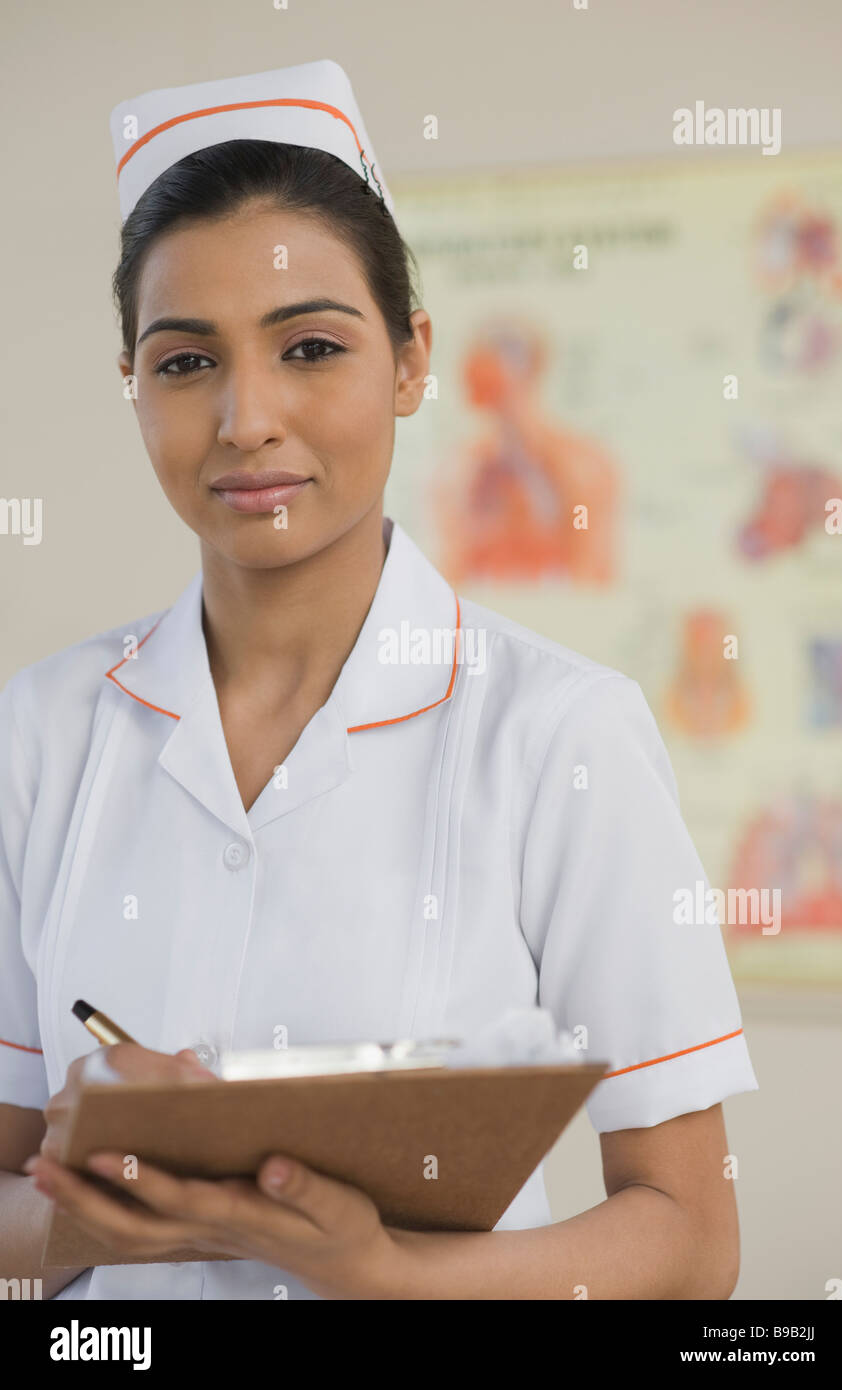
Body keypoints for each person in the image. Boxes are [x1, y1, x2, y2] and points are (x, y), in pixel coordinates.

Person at [0, 60, 758, 1300]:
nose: (246, 418)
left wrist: (376, 1270)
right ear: (133, 381)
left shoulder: (560, 734)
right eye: (185, 362)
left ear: (410, 361)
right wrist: (127, 1215)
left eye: (309, 347)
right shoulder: (38, 734)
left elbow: (688, 1238)